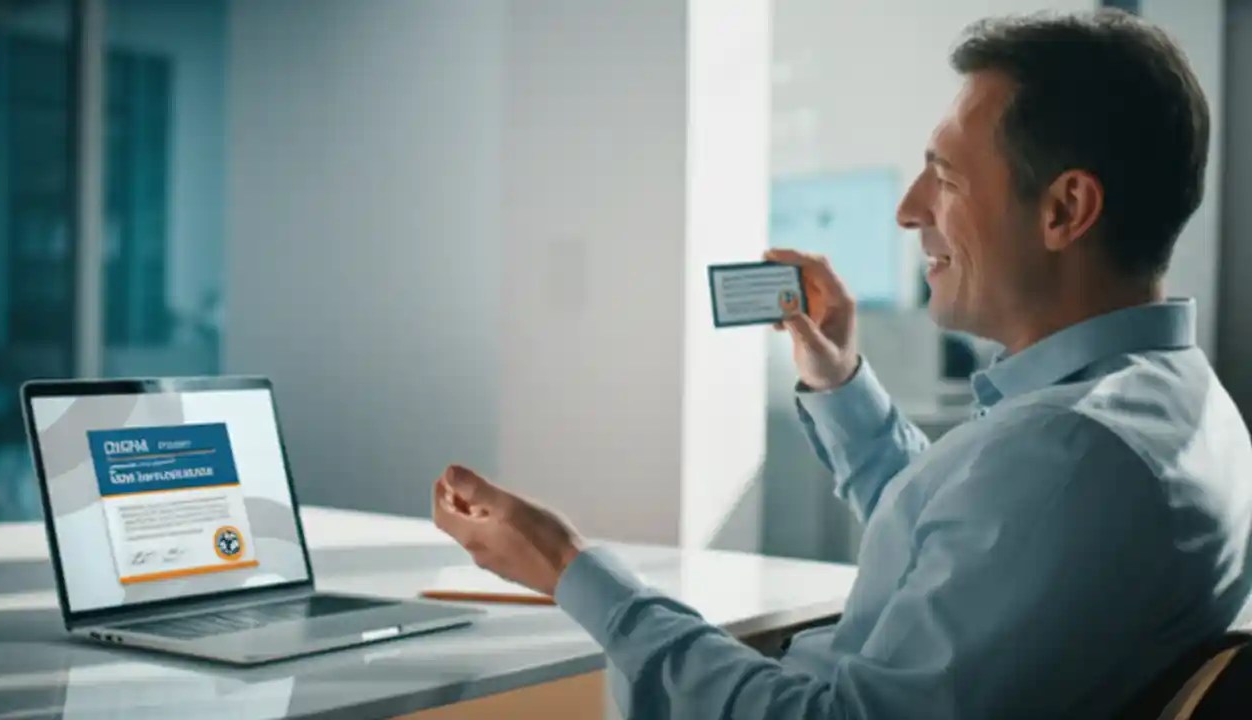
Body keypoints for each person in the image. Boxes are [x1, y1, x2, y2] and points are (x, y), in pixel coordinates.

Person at [432, 10, 1252, 718]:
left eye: (945, 177)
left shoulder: (1070, 455)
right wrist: (839, 379)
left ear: (1065, 208)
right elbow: (968, 530)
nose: (908, 211)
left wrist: (572, 569)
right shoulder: (1176, 404)